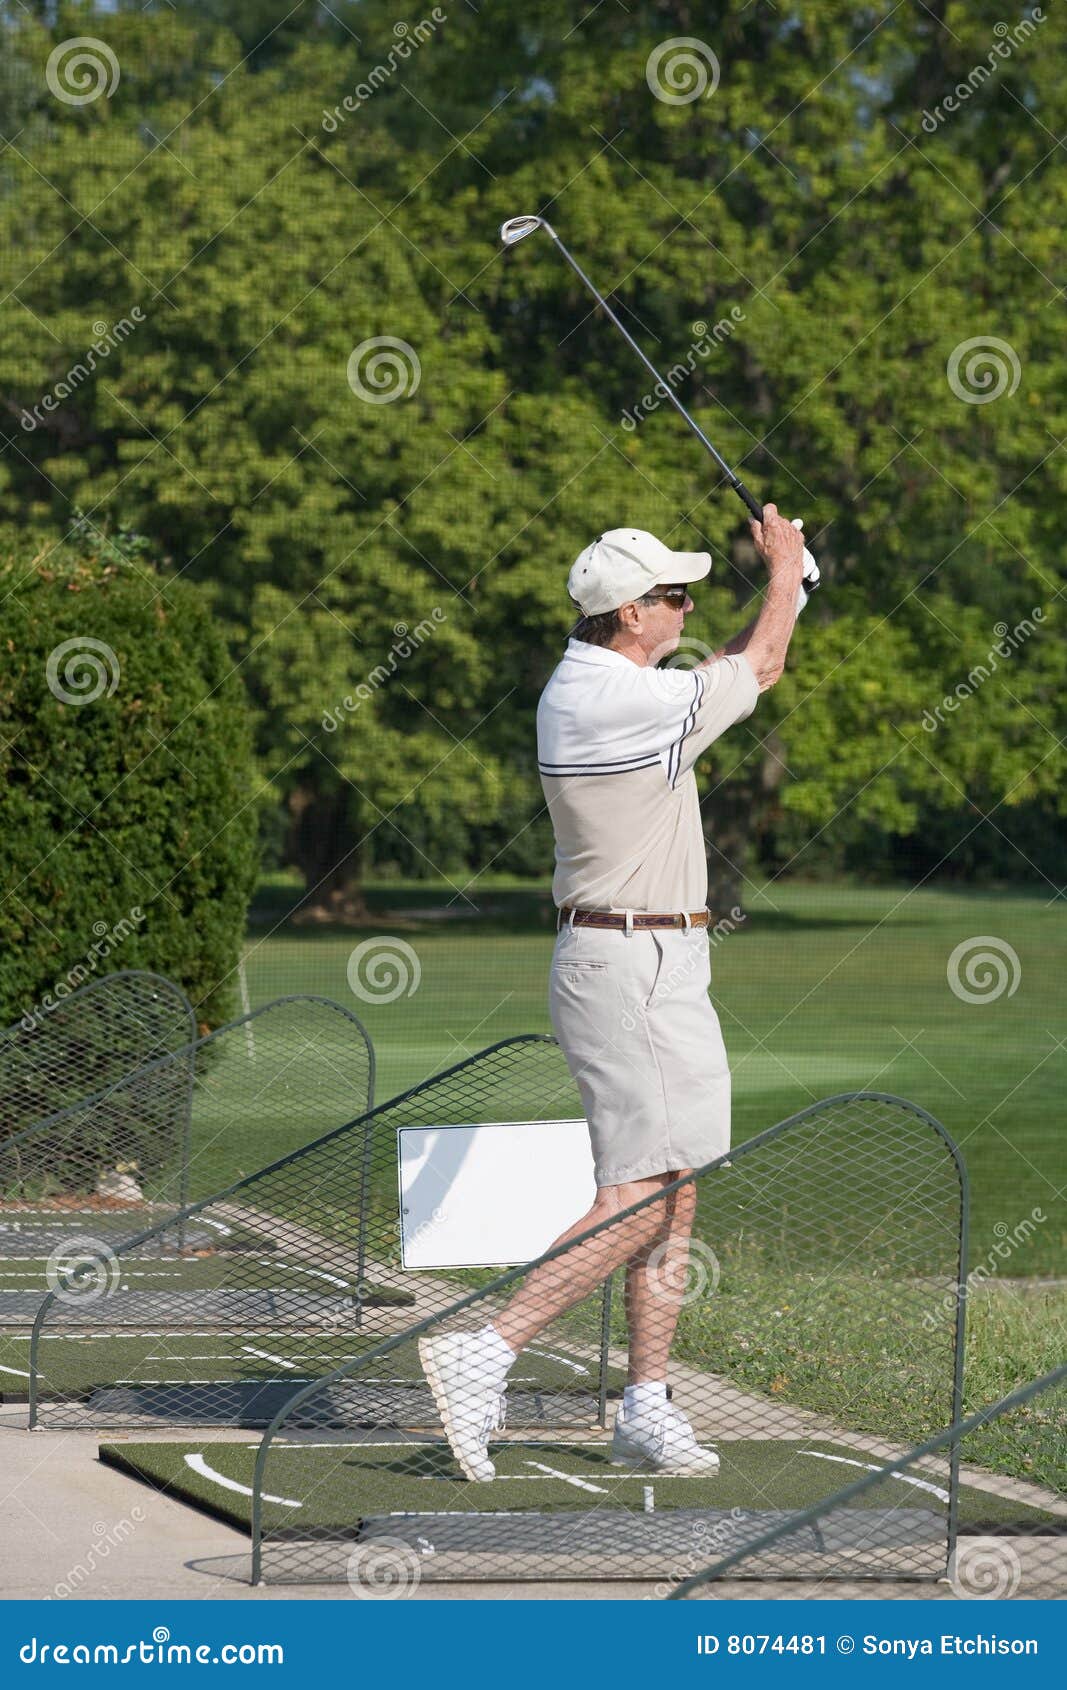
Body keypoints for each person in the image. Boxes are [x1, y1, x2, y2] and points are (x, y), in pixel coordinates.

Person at [420, 505, 814, 1480]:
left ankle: (643, 1400)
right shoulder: (611, 703)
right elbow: (755, 671)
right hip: (627, 966)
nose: (684, 606)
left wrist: (787, 593)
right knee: (639, 1196)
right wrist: (783, 577)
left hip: (658, 963)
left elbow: (730, 671)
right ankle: (486, 1349)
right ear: (629, 615)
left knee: (673, 1193)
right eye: (672, 596)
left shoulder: (612, 681)